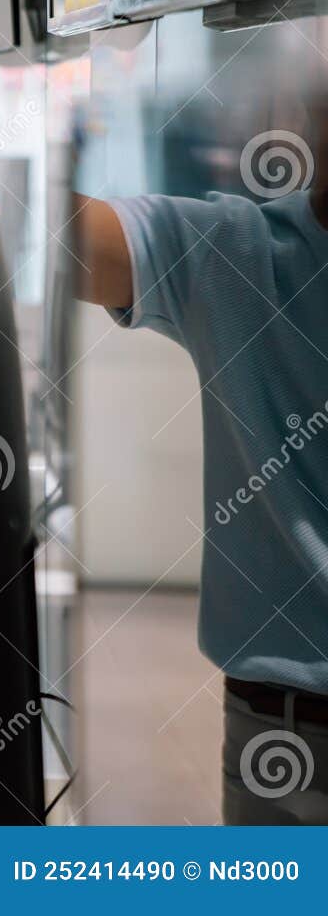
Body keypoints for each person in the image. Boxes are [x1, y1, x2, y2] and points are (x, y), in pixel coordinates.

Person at [74, 126, 328, 824]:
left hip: (283, 731)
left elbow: (45, 235)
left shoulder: (233, 248)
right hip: (283, 729)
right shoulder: (235, 248)